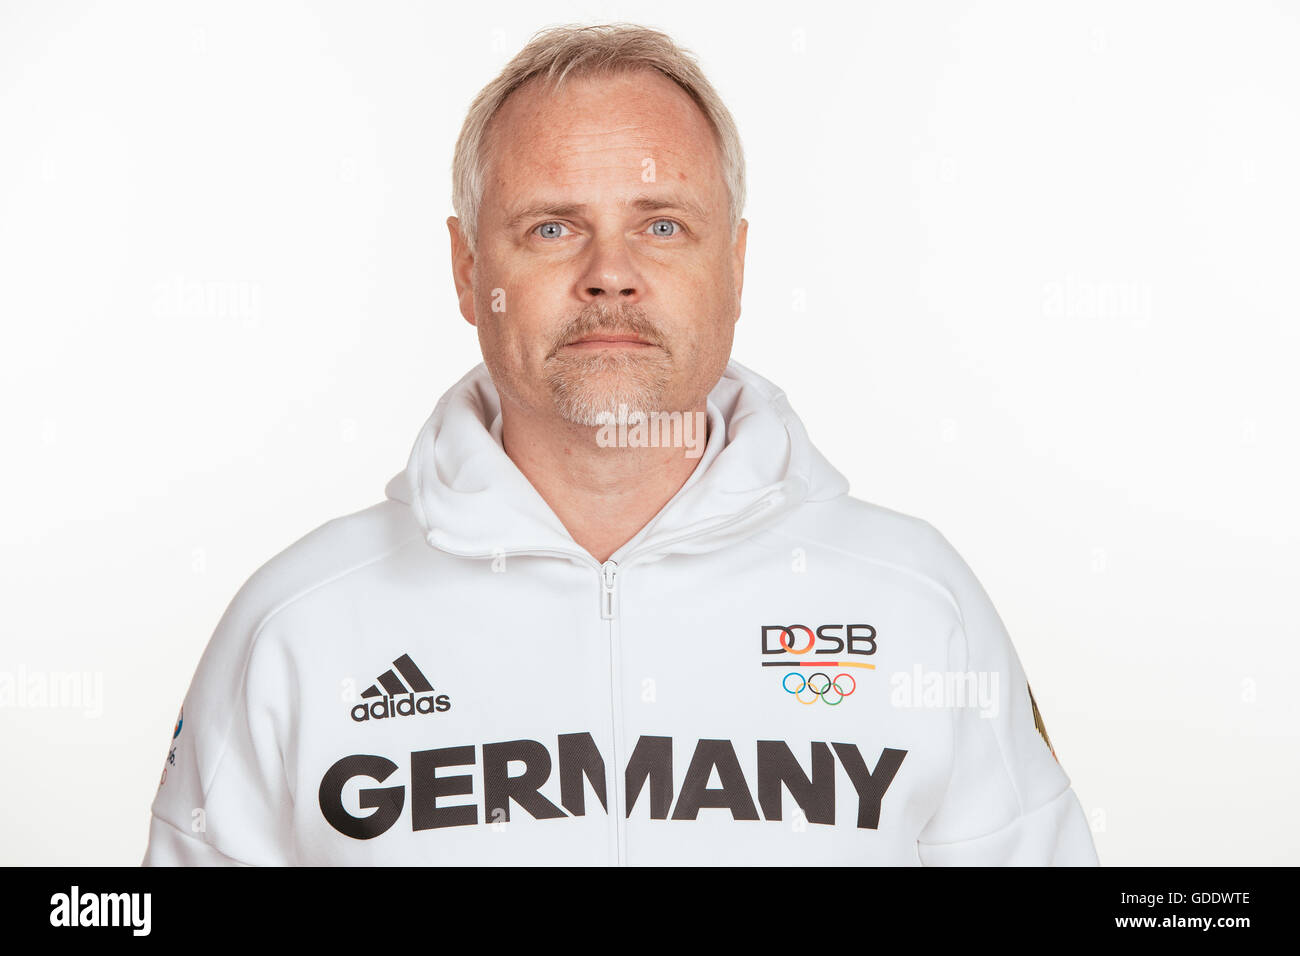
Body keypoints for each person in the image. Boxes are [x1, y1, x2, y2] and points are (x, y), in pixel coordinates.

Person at [142, 22, 1099, 866]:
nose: (611, 276)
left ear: (734, 266)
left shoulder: (917, 604)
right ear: (469, 270)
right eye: (552, 227)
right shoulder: (297, 629)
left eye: (663, 225)